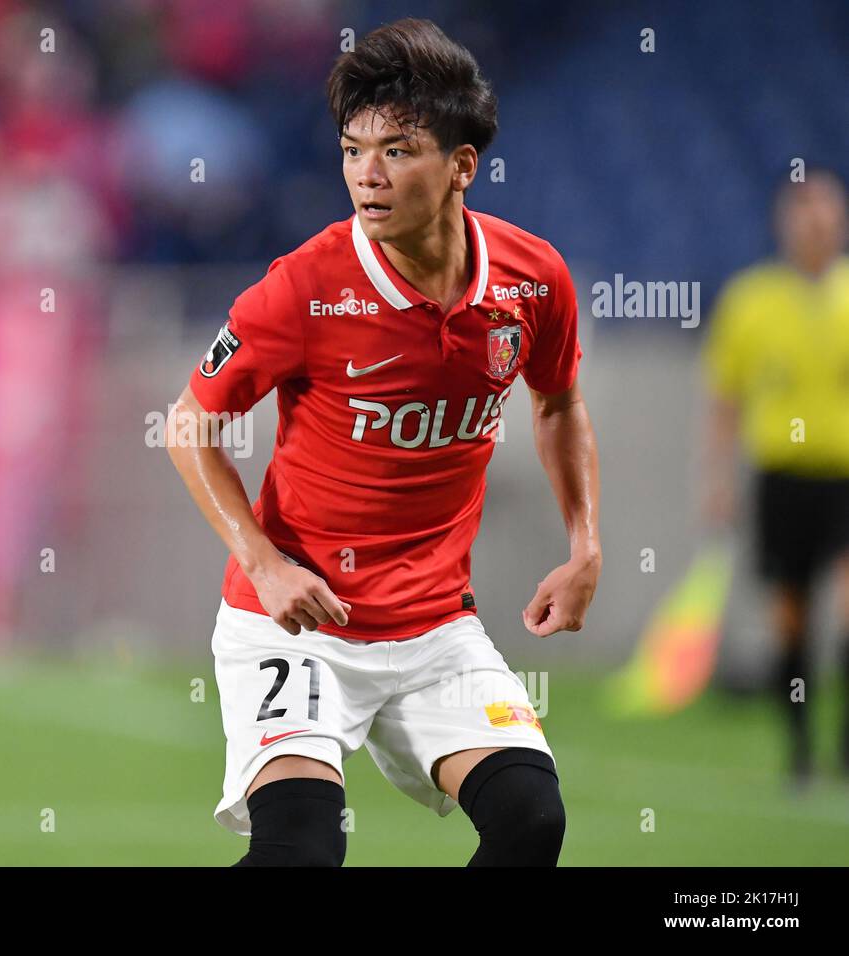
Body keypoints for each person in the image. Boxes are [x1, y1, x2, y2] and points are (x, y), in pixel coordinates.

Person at [166, 18, 600, 866]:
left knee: (532, 822)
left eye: (398, 150)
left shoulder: (532, 279)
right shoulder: (305, 287)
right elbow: (189, 425)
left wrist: (585, 545)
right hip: (295, 624)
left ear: (461, 166)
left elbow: (557, 405)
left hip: (436, 626)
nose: (368, 174)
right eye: (353, 149)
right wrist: (263, 562)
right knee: (300, 851)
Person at [702, 168, 849, 787]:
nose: (815, 223)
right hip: (782, 481)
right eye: (804, 211)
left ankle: (843, 749)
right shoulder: (750, 299)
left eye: (826, 211)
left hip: (844, 479)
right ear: (785, 222)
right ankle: (799, 751)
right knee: (791, 621)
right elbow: (725, 401)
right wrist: (718, 480)